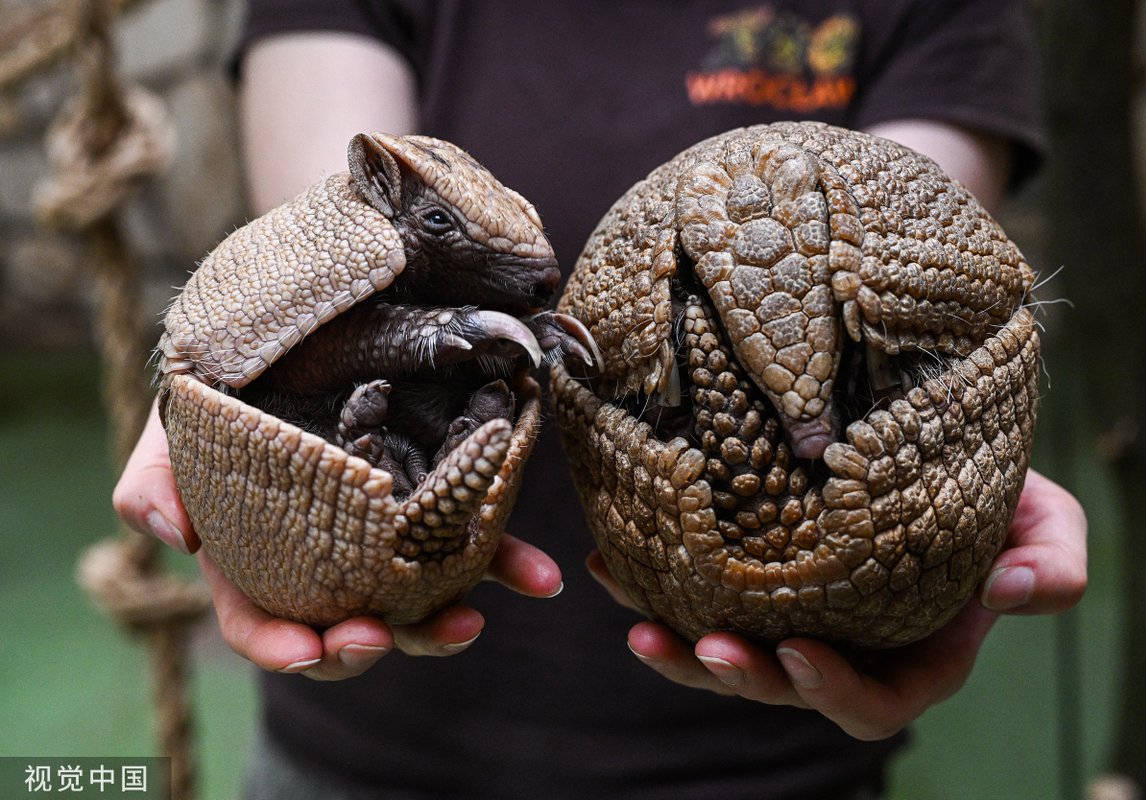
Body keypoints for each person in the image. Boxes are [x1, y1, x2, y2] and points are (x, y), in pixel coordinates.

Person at [113, 2, 1088, 797]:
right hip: (367, 748)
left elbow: (919, 234)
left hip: (769, 757)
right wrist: (279, 368)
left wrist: (937, 444)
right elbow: (337, 204)